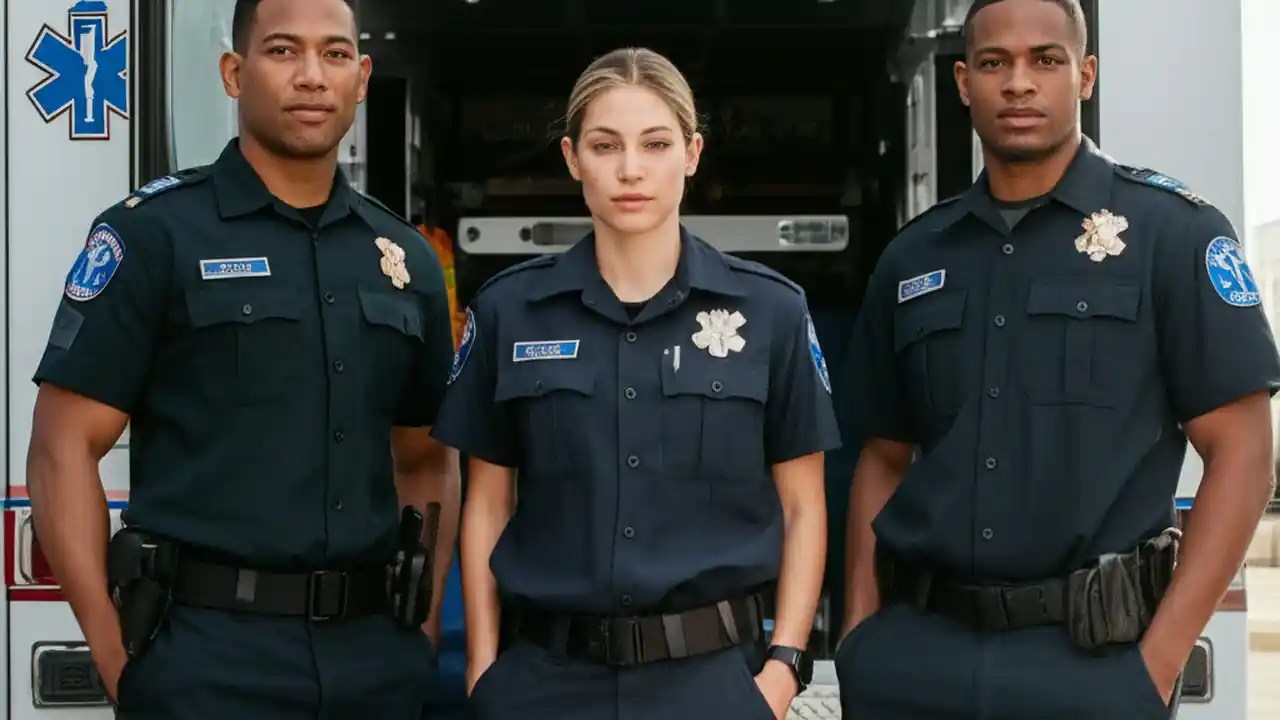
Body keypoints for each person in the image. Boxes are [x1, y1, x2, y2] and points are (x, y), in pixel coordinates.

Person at [835, 0, 1280, 718]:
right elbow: (883, 458)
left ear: (1086, 76)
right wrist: (860, 634)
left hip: (1094, 667)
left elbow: (1243, 451)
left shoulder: (1171, 235)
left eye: (1045, 60)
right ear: (962, 83)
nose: (1018, 82)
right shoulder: (915, 257)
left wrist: (1155, 666)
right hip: (915, 663)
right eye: (993, 63)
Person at [25, 0, 460, 716]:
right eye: (284, 51)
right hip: (206, 659)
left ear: (362, 77)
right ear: (234, 72)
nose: (313, 77)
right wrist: (118, 662)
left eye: (336, 54)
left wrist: (417, 626)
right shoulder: (156, 235)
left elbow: (424, 458)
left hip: (374, 663)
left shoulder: (403, 260)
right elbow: (61, 447)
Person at [430, 47, 842, 720]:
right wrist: (483, 669)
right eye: (605, 144)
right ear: (571, 159)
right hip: (543, 684)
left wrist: (783, 669)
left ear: (692, 153)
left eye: (655, 143)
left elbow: (804, 506)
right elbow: (487, 503)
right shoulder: (509, 311)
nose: (630, 169)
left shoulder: (771, 311)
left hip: (713, 685)